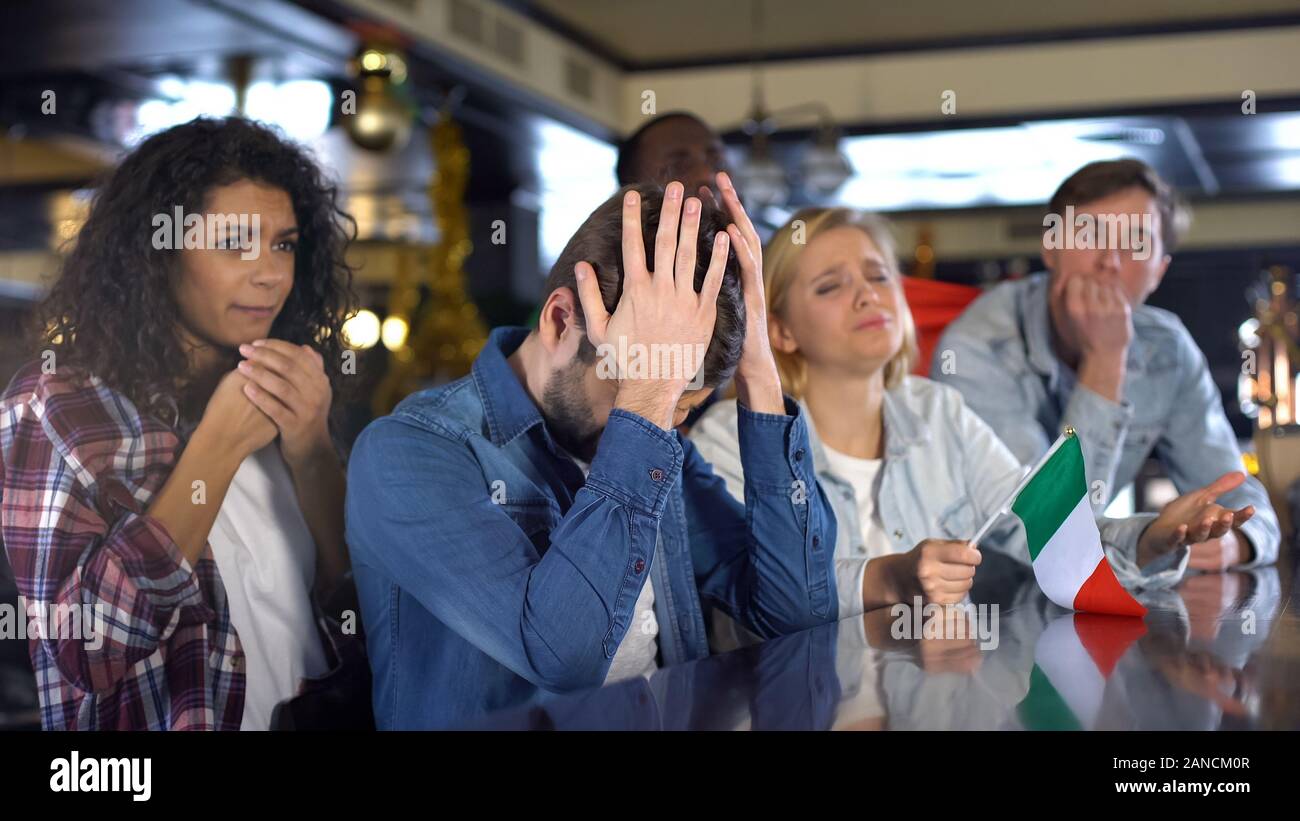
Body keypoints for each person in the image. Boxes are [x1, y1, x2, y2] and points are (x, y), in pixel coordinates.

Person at [345, 173, 838, 729]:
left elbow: (798, 614)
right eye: (629, 385)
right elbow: (563, 657)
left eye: (681, 408)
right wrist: (648, 397)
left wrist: (760, 374)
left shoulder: (656, 433)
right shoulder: (410, 452)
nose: (662, 428)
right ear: (560, 321)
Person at [690, 207, 1254, 647]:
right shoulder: (725, 438)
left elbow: (1041, 526)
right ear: (779, 330)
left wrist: (1152, 537)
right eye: (830, 286)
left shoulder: (940, 411)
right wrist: (893, 576)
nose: (867, 294)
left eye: (879, 275)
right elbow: (757, 596)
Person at [0, 117, 355, 730]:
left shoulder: (282, 396)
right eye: (235, 241)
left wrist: (314, 451)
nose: (270, 272)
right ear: (157, 252)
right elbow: (89, 650)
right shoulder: (57, 404)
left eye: (285, 244)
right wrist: (217, 447)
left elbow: (358, 604)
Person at [933, 159, 1279, 576]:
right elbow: (1044, 537)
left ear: (1159, 272)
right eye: (1090, 234)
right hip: (975, 604)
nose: (1111, 261)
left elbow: (1240, 499)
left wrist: (1234, 542)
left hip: (1088, 596)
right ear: (1050, 247)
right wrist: (1105, 360)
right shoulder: (976, 347)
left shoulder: (1167, 349)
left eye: (1137, 244)